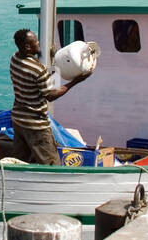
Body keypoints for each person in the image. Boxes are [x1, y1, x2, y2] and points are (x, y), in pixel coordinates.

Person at [9, 29, 90, 165]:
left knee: (20, 161)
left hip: (18, 120)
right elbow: (51, 95)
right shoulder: (38, 70)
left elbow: (45, 81)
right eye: (35, 41)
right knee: (52, 164)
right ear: (28, 47)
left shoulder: (15, 59)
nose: (39, 43)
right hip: (36, 126)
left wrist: (55, 65)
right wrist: (76, 81)